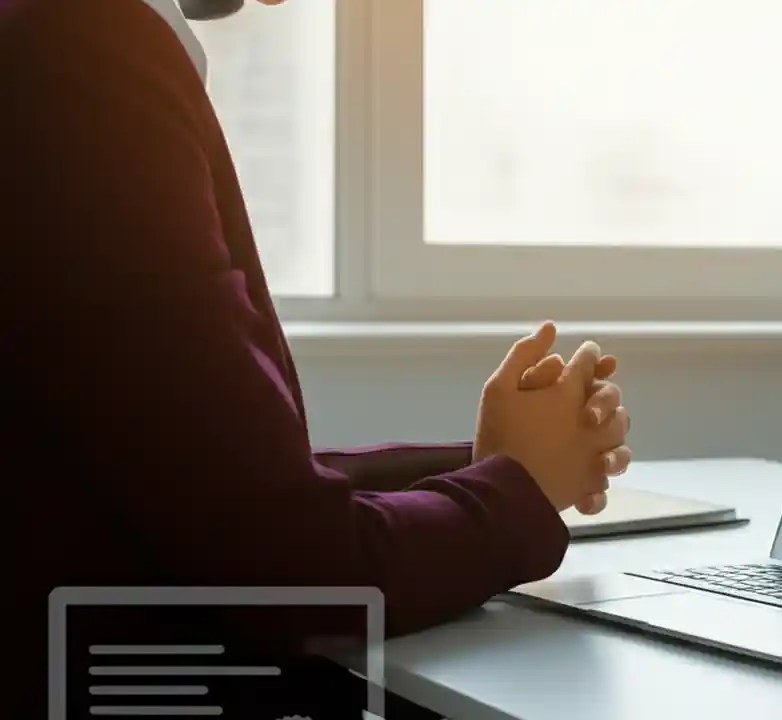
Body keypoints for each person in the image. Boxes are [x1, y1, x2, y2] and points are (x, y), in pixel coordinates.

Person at [1, 0, 631, 716]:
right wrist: (514, 489)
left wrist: (497, 464)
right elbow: (286, 572)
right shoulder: (84, 53)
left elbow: (204, 490)